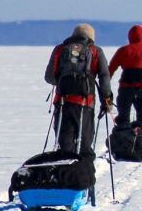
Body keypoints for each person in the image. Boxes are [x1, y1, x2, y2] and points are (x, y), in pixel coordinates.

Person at [45, 23, 113, 155]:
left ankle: (65, 167)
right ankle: (84, 167)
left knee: (64, 140)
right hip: (85, 102)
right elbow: (104, 76)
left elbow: (49, 77)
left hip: (62, 101)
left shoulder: (60, 49)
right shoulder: (95, 51)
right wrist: (106, 99)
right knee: (85, 141)